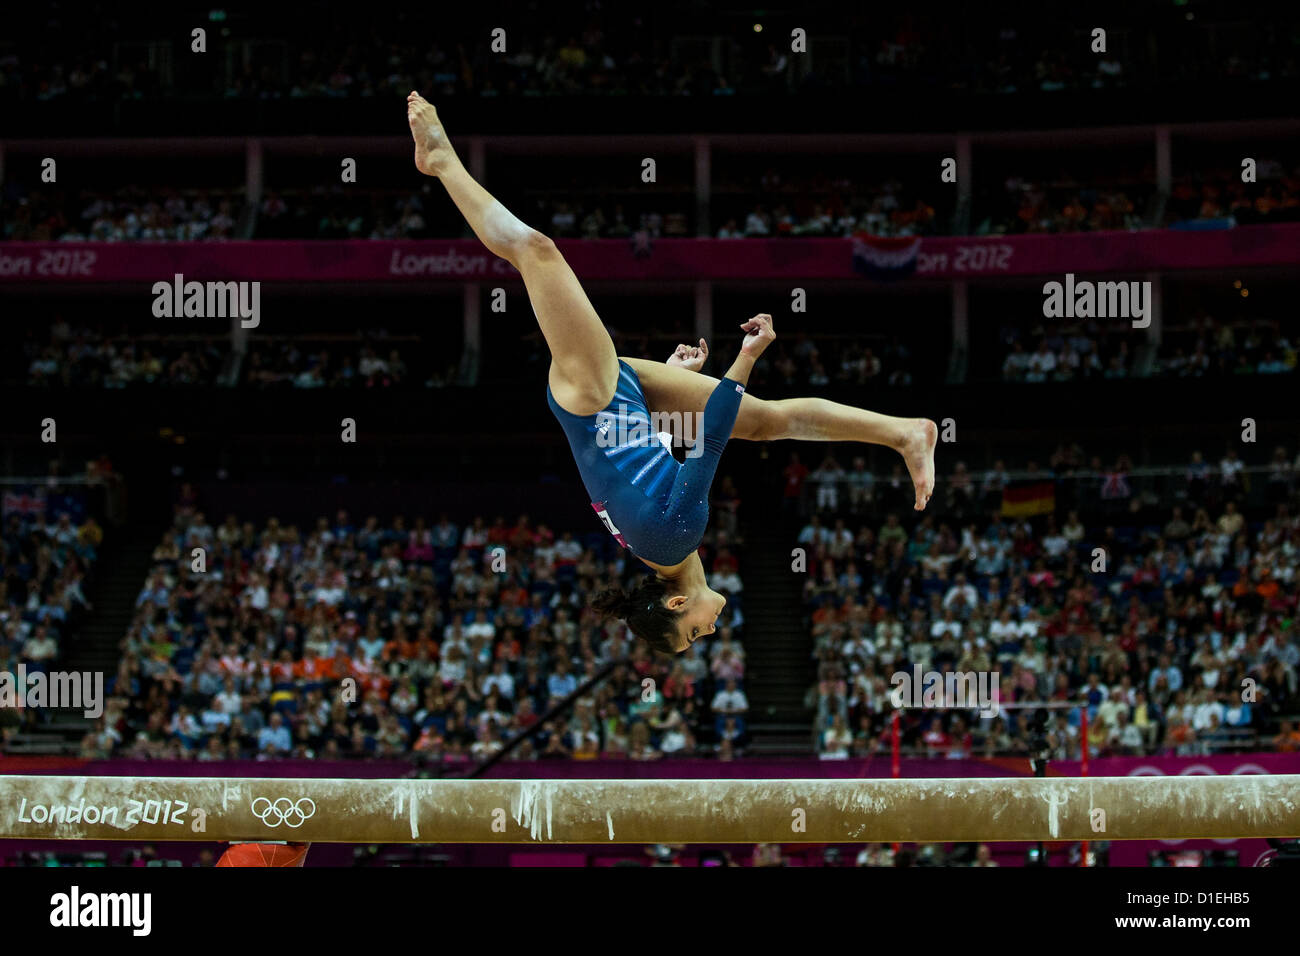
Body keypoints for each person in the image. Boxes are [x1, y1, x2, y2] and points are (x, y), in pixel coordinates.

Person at [407, 91, 936, 655]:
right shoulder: (659, 547)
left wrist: (748, 357)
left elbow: (708, 439)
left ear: (677, 603)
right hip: (622, 401)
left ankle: (440, 161)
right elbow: (637, 464)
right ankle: (904, 431)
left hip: (594, 393)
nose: (710, 630)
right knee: (765, 423)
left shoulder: (677, 537)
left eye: (694, 633)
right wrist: (671, 376)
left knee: (537, 252)